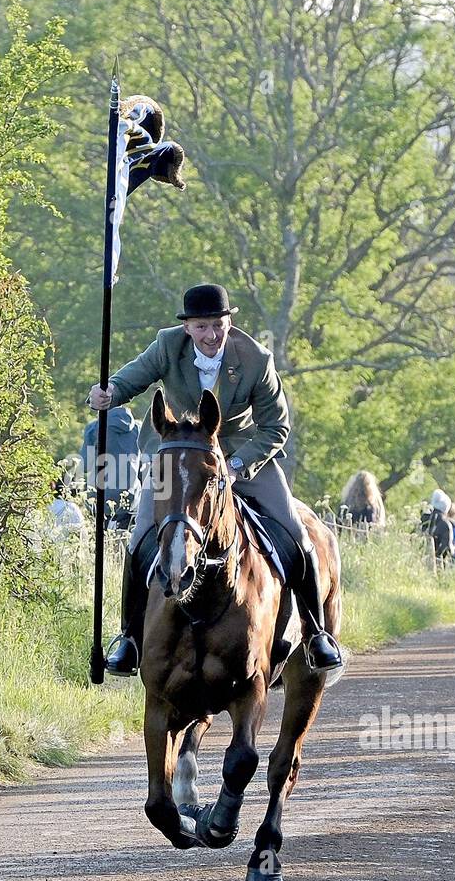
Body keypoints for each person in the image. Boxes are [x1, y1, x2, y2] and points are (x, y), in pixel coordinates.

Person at [86, 283, 343, 676]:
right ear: (188, 327)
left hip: (240, 455)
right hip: (179, 456)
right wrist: (109, 393)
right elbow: (131, 378)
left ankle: (315, 634)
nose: (211, 335)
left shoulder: (256, 358)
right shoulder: (167, 346)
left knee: (295, 533)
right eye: (202, 327)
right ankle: (130, 639)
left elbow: (276, 427)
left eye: (218, 325)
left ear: (229, 321)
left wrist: (238, 465)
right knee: (140, 539)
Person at [81, 405, 144, 531]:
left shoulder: (94, 428)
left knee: (99, 544)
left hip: (98, 499)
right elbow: (143, 466)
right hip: (130, 500)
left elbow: (85, 465)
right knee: (124, 542)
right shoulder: (138, 428)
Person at [419, 489, 455, 562]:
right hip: (437, 563)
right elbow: (447, 548)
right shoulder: (446, 525)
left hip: (419, 558)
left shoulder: (424, 519)